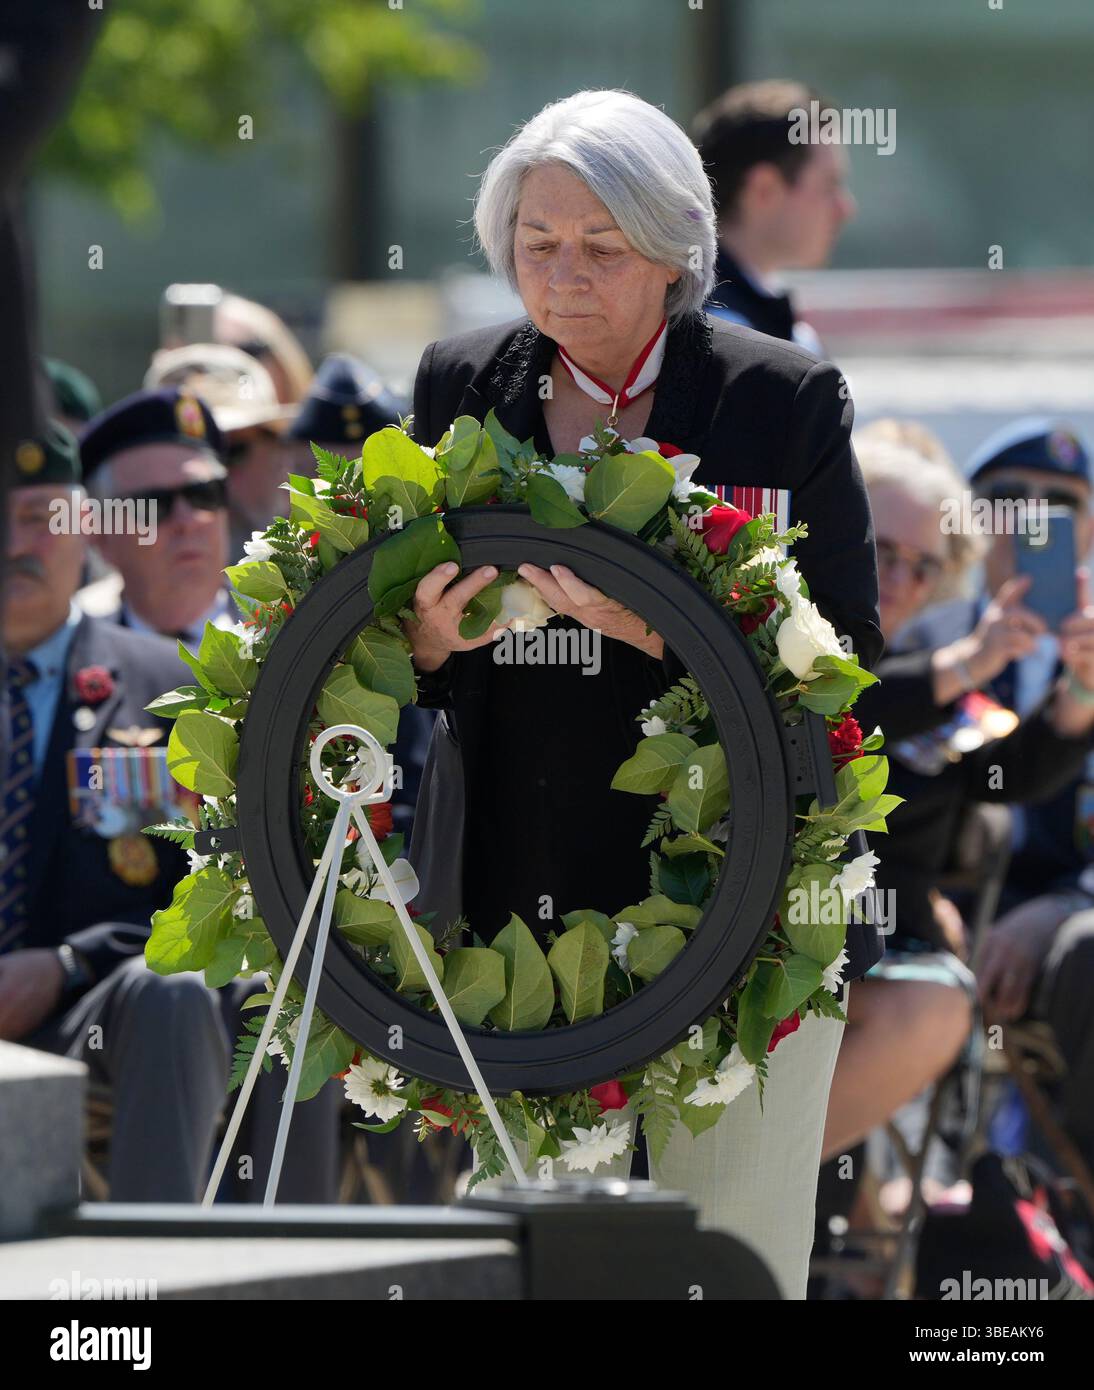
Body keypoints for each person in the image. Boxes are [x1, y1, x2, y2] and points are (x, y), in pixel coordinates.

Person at [402, 88, 882, 1299]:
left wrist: (673, 632)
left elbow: (850, 679)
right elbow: (387, 645)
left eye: (600, 247)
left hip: (745, 905)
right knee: (534, 1269)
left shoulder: (777, 402)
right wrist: (414, 645)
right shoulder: (461, 380)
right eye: (535, 244)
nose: (563, 275)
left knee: (719, 1267)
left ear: (676, 251)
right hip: (523, 909)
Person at [4, 420, 340, 1202]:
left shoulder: (176, 688)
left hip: (79, 1009)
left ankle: (156, 1281)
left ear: (82, 526)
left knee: (183, 992)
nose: (15, 543)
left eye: (36, 518)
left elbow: (224, 897)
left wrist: (68, 965)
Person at [821, 428, 1094, 1163]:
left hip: (894, 951)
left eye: (923, 566)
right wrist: (964, 664)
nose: (902, 582)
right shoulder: (934, 649)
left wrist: (1078, 694)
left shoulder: (944, 651)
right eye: (881, 552)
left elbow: (995, 768)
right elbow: (827, 713)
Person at [692, 78, 857, 352]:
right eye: (829, 186)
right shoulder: (722, 342)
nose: (845, 208)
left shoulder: (774, 327)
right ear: (764, 189)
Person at [75, 387, 237, 644]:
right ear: (102, 536)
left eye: (203, 494)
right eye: (153, 506)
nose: (187, 521)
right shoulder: (72, 656)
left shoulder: (286, 633)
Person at [143, 343, 297, 563]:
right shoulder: (94, 597)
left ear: (280, 453)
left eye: (230, 453)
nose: (208, 483)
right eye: (182, 465)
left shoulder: (333, 587)